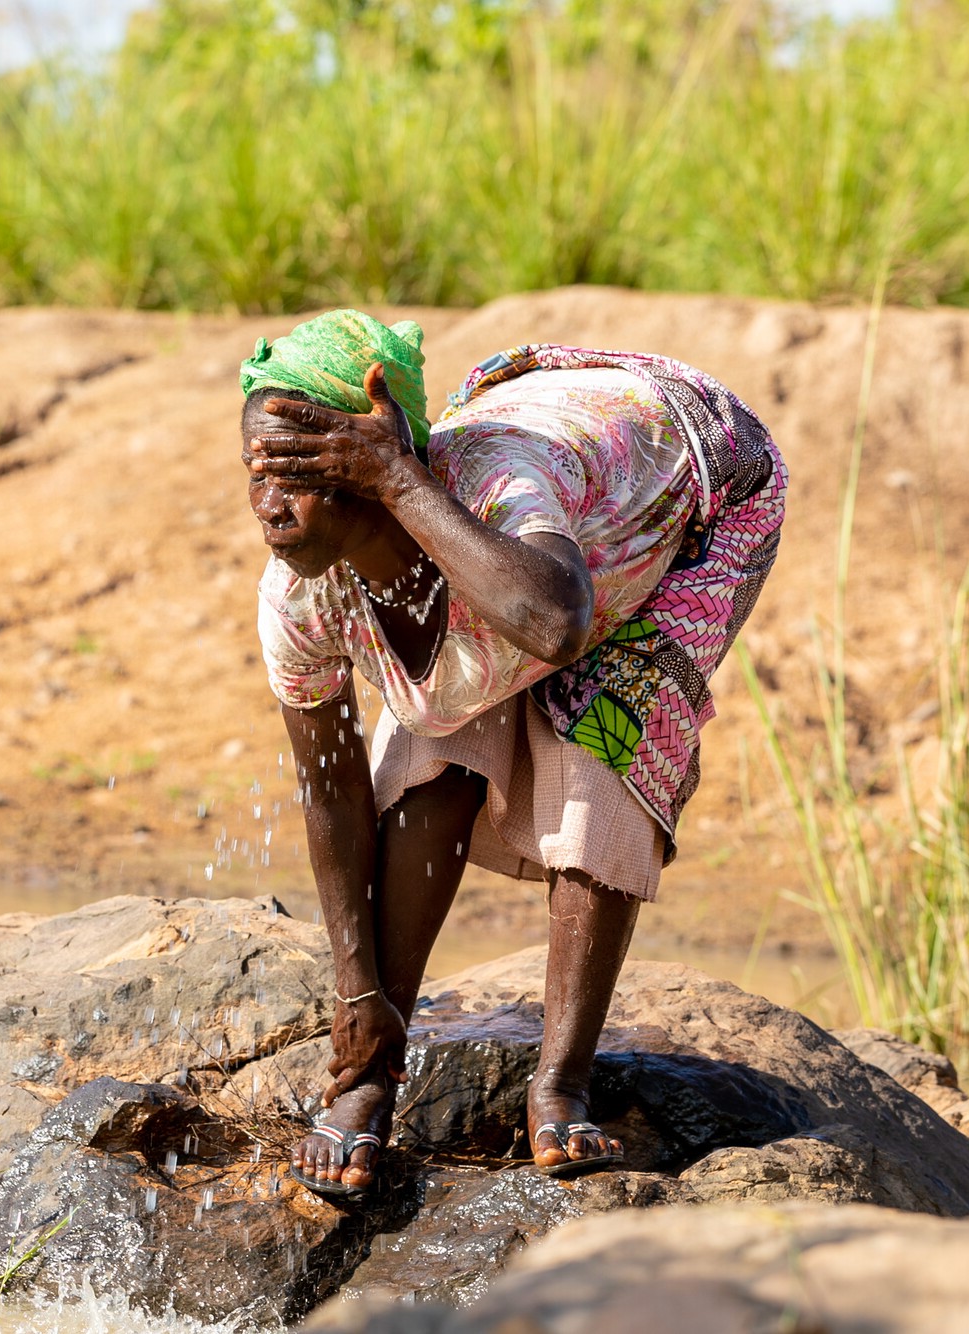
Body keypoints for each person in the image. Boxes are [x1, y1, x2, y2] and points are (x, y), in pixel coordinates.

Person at [240, 311, 784, 1196]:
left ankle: (561, 1084)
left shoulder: (496, 490)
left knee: (602, 726)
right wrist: (356, 995)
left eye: (297, 474)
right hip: (528, 476)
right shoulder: (299, 600)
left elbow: (552, 622)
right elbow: (332, 796)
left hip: (686, 483)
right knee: (436, 731)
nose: (268, 506)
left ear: (375, 459)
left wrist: (397, 480)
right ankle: (371, 1078)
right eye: (255, 473)